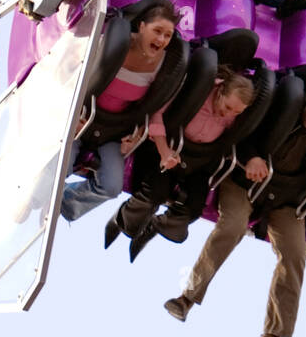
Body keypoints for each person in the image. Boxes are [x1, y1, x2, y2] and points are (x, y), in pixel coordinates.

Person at [163, 75, 306, 337]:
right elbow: (243, 132)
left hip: (286, 199)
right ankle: (187, 296)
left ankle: (272, 335)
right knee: (233, 226)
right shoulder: (280, 111)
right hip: (244, 183)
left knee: (296, 252)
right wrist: (252, 156)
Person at [104, 67, 255, 247]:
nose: (228, 114)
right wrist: (164, 150)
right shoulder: (197, 91)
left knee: (193, 209)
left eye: (236, 112)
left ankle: (154, 227)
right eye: (228, 107)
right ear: (220, 90)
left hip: (196, 161)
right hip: (164, 147)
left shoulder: (233, 115)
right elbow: (157, 113)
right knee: (154, 194)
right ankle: (121, 221)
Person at [60, 0, 180, 222]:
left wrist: (162, 150)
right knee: (61, 169)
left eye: (168, 35)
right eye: (157, 31)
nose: (161, 40)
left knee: (112, 186)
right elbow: (69, 70)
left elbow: (155, 112)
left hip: (113, 131)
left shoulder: (163, 65)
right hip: (82, 118)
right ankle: (30, 196)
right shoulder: (110, 44)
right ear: (141, 26)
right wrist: (71, 111)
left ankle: (65, 204)